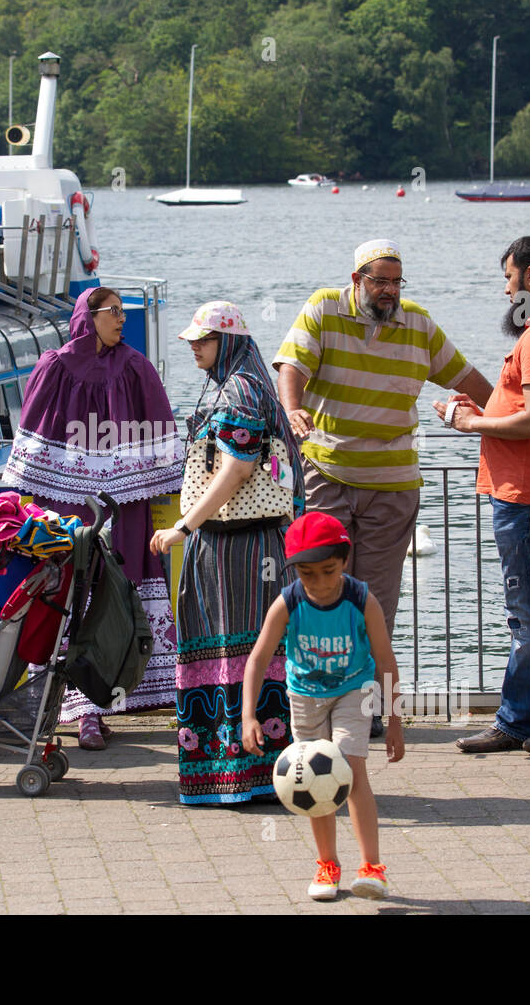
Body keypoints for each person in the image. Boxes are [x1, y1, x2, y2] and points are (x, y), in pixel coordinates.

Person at [274, 239, 493, 736]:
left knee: (377, 599)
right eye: (380, 281)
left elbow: (466, 376)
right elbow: (292, 367)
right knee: (322, 590)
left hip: (393, 484)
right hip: (328, 474)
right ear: (357, 281)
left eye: (397, 281)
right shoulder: (325, 308)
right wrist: (292, 408)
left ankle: (367, 709)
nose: (390, 290)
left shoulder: (418, 324)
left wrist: (508, 412)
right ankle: (319, 702)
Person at [4, 286, 183, 749]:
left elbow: (160, 427)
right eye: (113, 312)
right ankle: (73, 711)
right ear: (89, 317)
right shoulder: (54, 367)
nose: (122, 320)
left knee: (113, 595)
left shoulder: (136, 367)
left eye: (124, 312)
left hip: (123, 503)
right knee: (71, 592)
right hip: (65, 502)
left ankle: (108, 701)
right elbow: (32, 430)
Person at [435, 236, 530, 755]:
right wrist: (486, 408)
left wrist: (469, 422)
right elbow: (526, 405)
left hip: (525, 495)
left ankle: (515, 721)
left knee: (527, 614)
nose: (505, 290)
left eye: (508, 278)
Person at [150, 301, 305, 805]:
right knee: (250, 652)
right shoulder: (243, 383)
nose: (195, 346)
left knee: (231, 649)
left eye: (204, 338)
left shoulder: (238, 390)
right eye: (193, 339)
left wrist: (182, 526)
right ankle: (256, 771)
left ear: (229, 342)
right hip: (247, 543)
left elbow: (237, 469)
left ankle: (238, 774)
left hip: (235, 546)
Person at [241, 512, 405, 900]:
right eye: (307, 574)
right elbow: (258, 659)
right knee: (312, 778)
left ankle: (372, 867)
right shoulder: (288, 602)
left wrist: (395, 720)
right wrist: (248, 715)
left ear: (345, 561)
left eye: (329, 571)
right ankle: (328, 865)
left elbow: (386, 662)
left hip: (355, 689)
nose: (319, 583)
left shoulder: (362, 600)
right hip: (305, 696)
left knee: (348, 768)